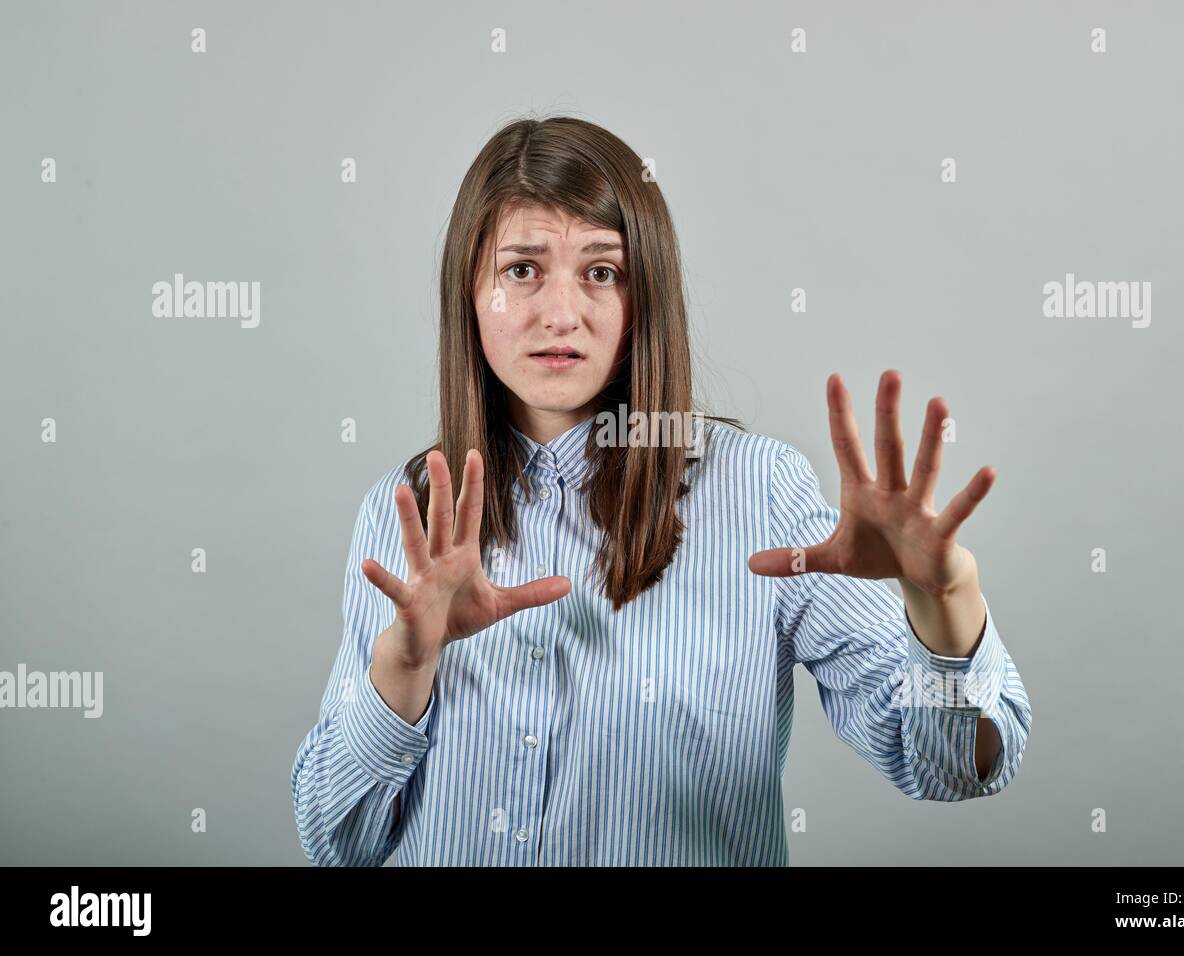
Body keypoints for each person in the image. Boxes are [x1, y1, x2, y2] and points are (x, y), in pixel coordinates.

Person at [291, 115, 1032, 866]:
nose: (560, 313)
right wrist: (404, 670)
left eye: (601, 271)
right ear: (469, 293)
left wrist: (944, 599)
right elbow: (333, 843)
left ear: (645, 294)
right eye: (522, 269)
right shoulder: (407, 512)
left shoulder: (757, 492)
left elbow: (947, 764)